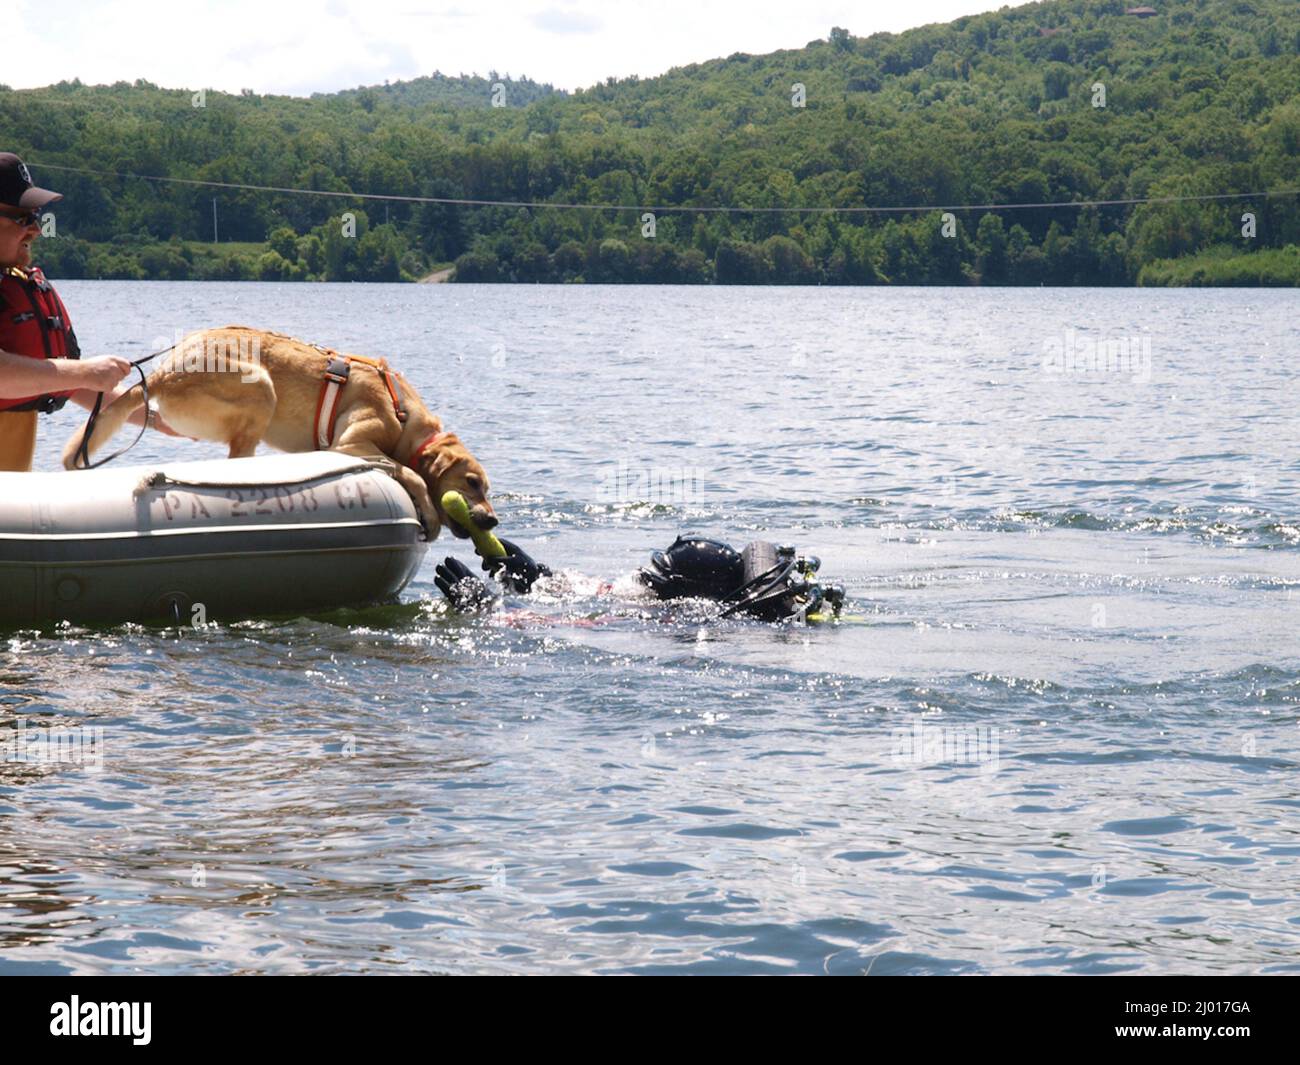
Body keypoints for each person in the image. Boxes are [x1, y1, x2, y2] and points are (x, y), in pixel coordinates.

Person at [0, 153, 177, 471]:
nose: (36, 230)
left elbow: (57, 379)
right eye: (23, 218)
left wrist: (157, 418)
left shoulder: (12, 282)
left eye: (37, 216)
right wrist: (84, 371)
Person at [435, 534, 845, 624]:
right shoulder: (656, 598)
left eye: (654, 575)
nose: (641, 577)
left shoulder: (672, 617)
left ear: (677, 589)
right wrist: (533, 574)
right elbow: (593, 590)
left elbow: (573, 623)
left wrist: (491, 608)